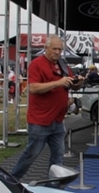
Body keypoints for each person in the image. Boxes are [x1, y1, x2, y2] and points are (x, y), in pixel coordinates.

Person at [10, 35, 83, 181]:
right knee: (31, 154)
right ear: (46, 48)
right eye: (54, 49)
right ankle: (12, 180)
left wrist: (78, 82)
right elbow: (33, 88)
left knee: (58, 156)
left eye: (60, 49)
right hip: (40, 120)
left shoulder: (63, 65)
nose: (57, 52)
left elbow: (68, 83)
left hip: (58, 120)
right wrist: (58, 83)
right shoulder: (37, 64)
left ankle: (54, 184)